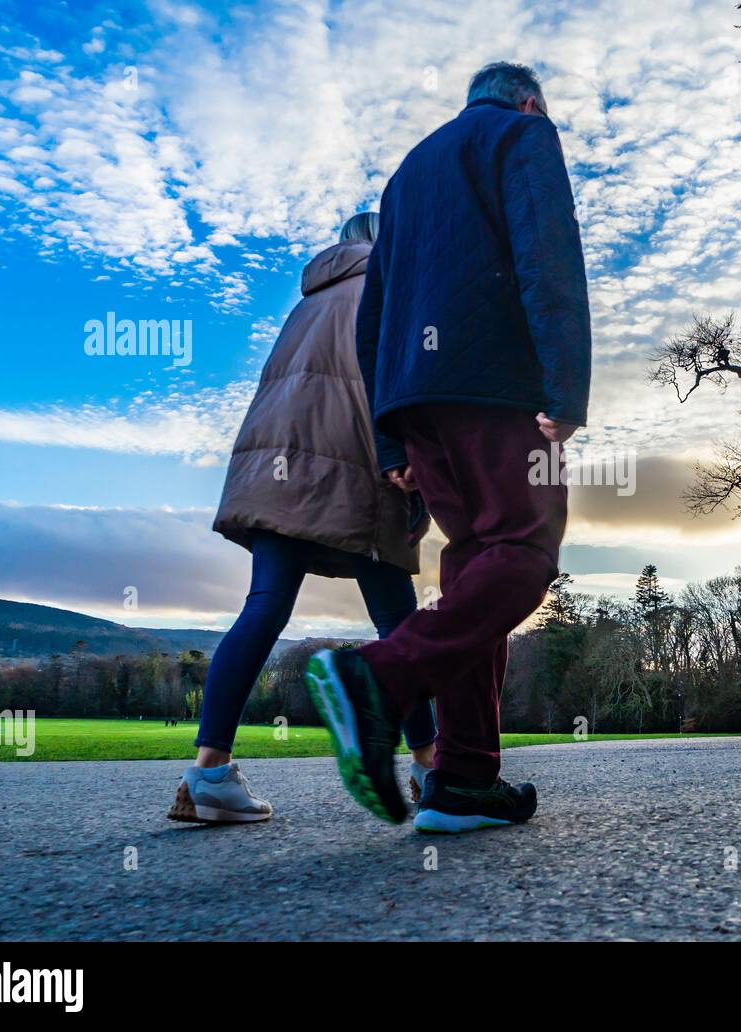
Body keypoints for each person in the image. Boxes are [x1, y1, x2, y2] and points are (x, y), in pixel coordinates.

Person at [302, 61, 591, 833]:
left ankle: (463, 780)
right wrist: (567, 387)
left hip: (413, 395)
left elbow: (376, 316)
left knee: (475, 565)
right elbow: (548, 259)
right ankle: (376, 676)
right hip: (493, 382)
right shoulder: (523, 134)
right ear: (528, 100)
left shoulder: (405, 176)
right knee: (525, 551)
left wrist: (391, 431)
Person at [167, 213, 436, 825]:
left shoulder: (306, 305)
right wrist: (412, 462)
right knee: (398, 621)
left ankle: (207, 774)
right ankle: (430, 765)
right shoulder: (387, 284)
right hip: (357, 464)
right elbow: (394, 378)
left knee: (263, 609)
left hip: (274, 470)